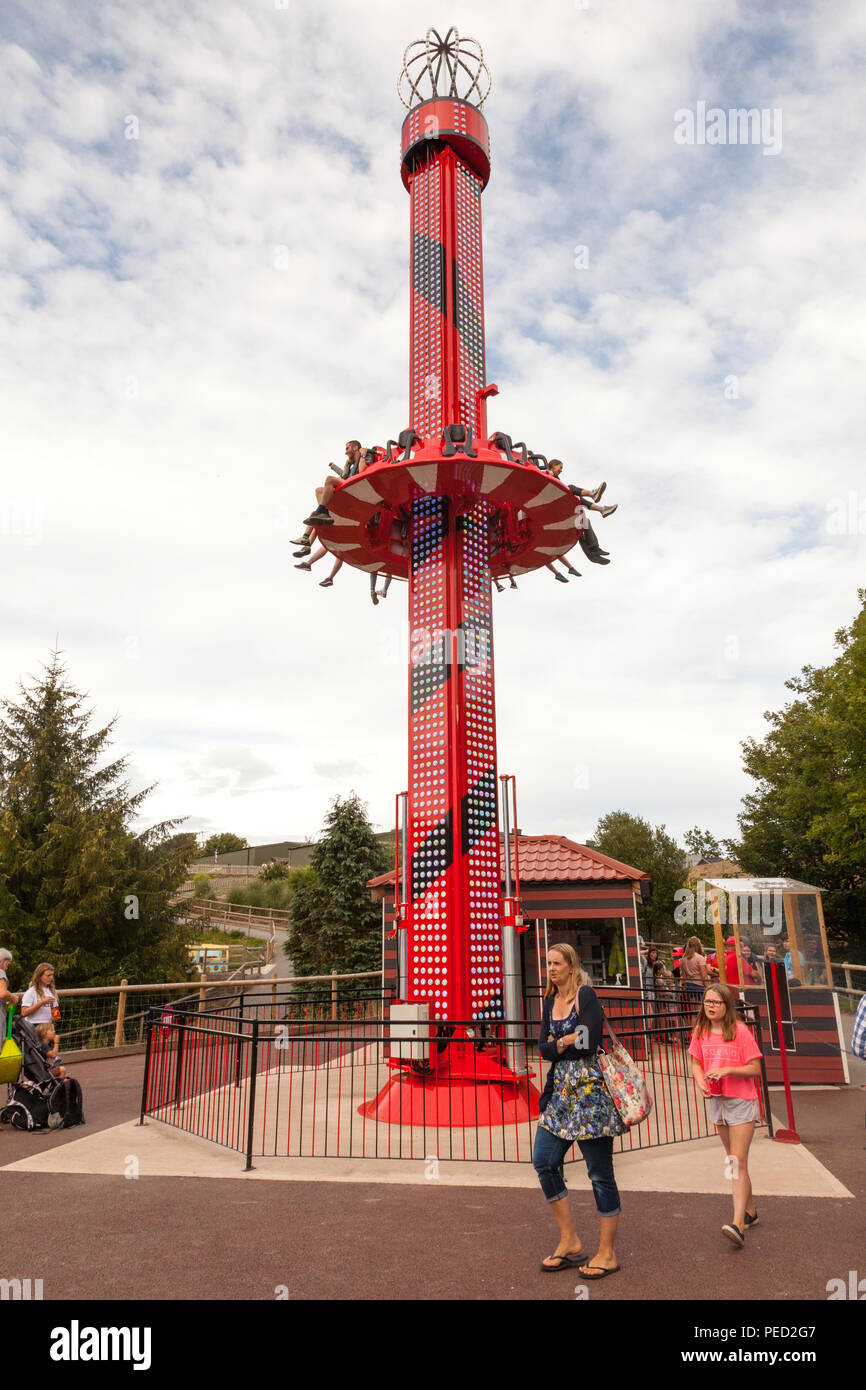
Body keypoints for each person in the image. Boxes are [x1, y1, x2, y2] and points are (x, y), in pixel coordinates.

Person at [532, 942, 625, 1279]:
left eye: (557, 963)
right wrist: (566, 1041)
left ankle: (607, 1252)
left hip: (590, 1094)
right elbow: (543, 1049)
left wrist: (563, 1043)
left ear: (571, 965)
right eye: (548, 963)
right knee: (544, 1161)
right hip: (559, 1093)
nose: (552, 969)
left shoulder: (585, 996)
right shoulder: (548, 1002)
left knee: (599, 1172)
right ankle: (570, 1240)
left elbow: (588, 1039)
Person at [689, 982, 762, 1246]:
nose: (710, 1006)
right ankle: (750, 1210)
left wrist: (728, 1070)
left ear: (726, 1005)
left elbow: (755, 1068)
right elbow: (697, 1063)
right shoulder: (700, 1030)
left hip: (741, 1101)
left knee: (736, 1160)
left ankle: (738, 1224)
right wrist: (700, 1082)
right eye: (707, 1001)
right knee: (733, 1161)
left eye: (716, 1002)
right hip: (717, 1102)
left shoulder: (740, 1031)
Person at [292, 440, 372, 544]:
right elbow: (344, 477)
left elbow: (362, 472)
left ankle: (323, 511)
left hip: (357, 489)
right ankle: (307, 540)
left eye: (347, 448)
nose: (345, 452)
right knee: (319, 491)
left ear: (355, 448)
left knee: (330, 479)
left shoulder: (366, 455)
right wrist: (345, 466)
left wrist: (363, 455)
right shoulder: (350, 465)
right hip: (347, 489)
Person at [548, 459, 618, 519]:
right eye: (560, 467)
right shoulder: (545, 473)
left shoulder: (557, 480)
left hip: (559, 502)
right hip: (550, 501)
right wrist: (548, 474)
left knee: (577, 498)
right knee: (570, 487)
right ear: (554, 465)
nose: (561, 470)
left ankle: (601, 509)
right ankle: (592, 494)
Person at [679, 936, 711, 1006]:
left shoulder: (683, 959)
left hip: (689, 986)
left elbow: (683, 976)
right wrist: (709, 988)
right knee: (700, 1009)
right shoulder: (700, 958)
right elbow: (704, 976)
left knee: (692, 1010)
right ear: (698, 946)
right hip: (699, 986)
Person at [0, 948, 19, 1030]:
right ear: (3, 960)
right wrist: (12, 997)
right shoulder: (1, 972)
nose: (9, 964)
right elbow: (3, 993)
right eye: (8, 961)